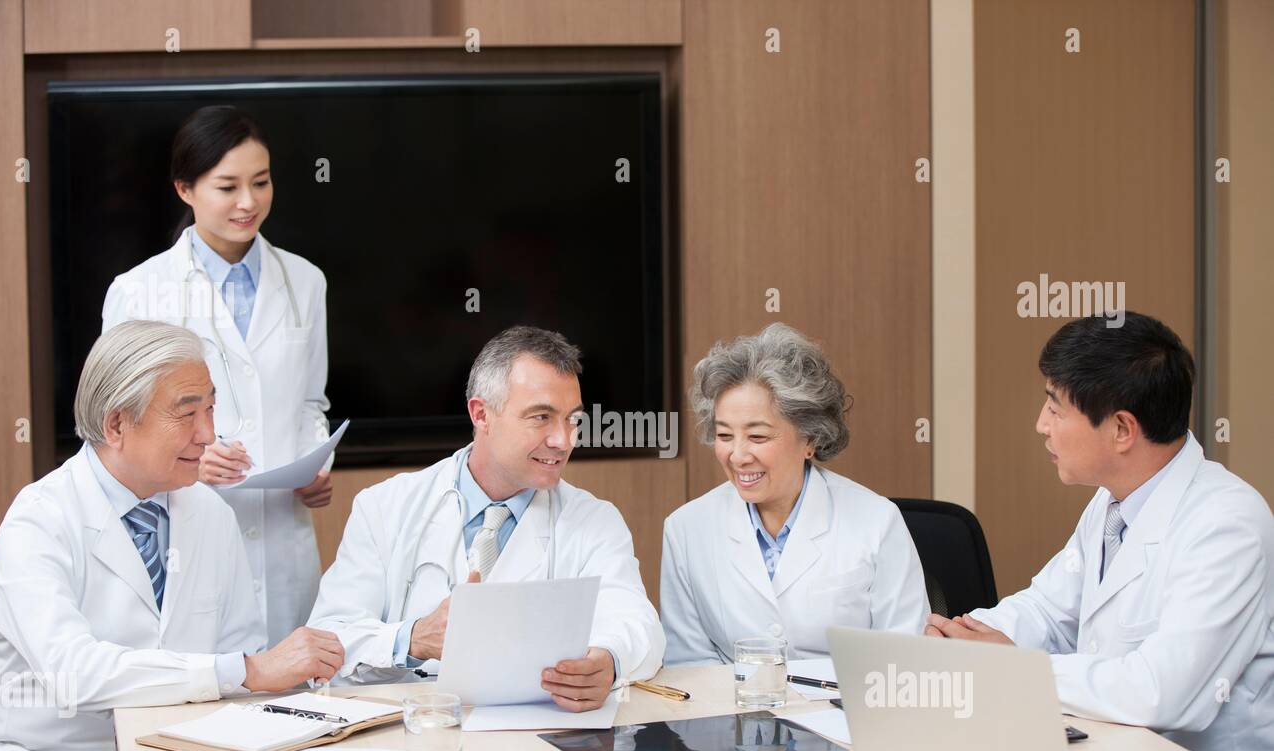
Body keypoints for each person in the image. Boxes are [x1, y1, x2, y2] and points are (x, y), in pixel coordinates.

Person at [0, 322, 342, 751]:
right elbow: (74, 673)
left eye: (212, 409)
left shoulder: (211, 516)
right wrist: (242, 670)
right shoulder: (40, 519)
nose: (209, 434)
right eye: (187, 412)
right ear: (116, 423)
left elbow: (241, 676)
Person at [927, 312, 1274, 751]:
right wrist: (960, 639)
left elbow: (1163, 693)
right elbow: (1049, 609)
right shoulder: (1115, 500)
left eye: (1055, 408)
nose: (1040, 425)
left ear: (1122, 430)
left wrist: (1013, 669)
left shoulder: (1227, 524)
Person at [308, 326, 664, 710]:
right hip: (415, 736)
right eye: (541, 417)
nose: (563, 440)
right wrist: (411, 639)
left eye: (572, 420)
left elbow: (640, 627)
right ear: (481, 414)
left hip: (540, 741)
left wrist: (608, 661)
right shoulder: (384, 507)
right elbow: (325, 641)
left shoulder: (594, 520)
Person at [102, 105, 332, 646]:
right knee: (198, 700)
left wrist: (316, 463)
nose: (248, 202)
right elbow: (113, 428)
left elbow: (309, 403)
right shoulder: (139, 291)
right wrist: (190, 457)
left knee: (291, 700)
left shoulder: (305, 281)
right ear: (185, 189)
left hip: (283, 536)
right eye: (227, 186)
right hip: (186, 524)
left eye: (261, 182)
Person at [661, 323, 929, 665]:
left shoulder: (877, 521)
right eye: (725, 435)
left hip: (846, 713)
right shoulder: (686, 529)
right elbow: (688, 664)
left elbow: (905, 656)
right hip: (733, 714)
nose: (738, 455)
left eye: (758, 437)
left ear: (810, 439)